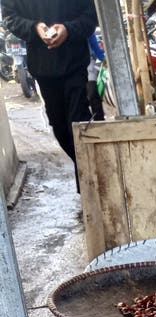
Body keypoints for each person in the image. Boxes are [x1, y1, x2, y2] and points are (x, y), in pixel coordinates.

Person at [2, 0, 96, 187]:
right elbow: (9, 18)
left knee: (79, 126)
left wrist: (68, 29)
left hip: (75, 65)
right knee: (59, 128)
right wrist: (35, 27)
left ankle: (89, 187)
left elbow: (91, 16)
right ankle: (88, 179)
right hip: (43, 68)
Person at [86, 28, 104, 121]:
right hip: (72, 67)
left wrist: (103, 58)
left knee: (92, 93)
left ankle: (99, 120)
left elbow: (94, 44)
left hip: (88, 63)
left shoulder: (86, 28)